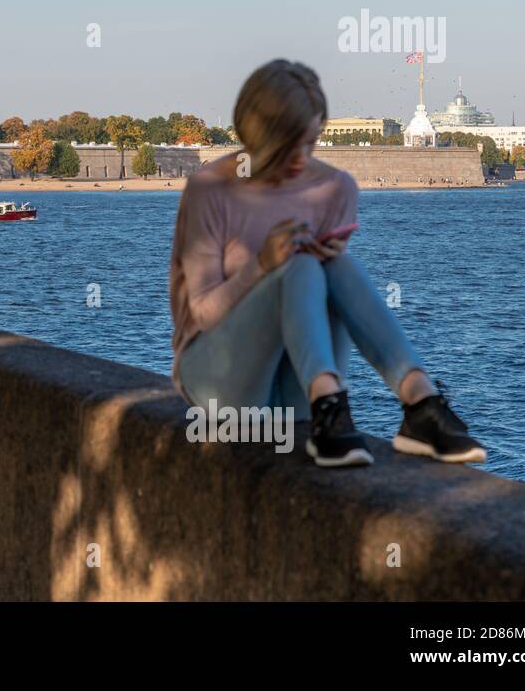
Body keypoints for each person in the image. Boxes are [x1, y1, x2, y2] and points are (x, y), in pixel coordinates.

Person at [169, 60, 485, 468]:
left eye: (312, 140)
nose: (303, 157)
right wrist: (262, 264)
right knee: (300, 266)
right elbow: (203, 314)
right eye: (291, 144)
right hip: (222, 387)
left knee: (335, 265)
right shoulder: (212, 189)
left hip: (295, 397)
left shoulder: (335, 189)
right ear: (259, 136)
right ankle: (333, 401)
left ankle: (417, 398)